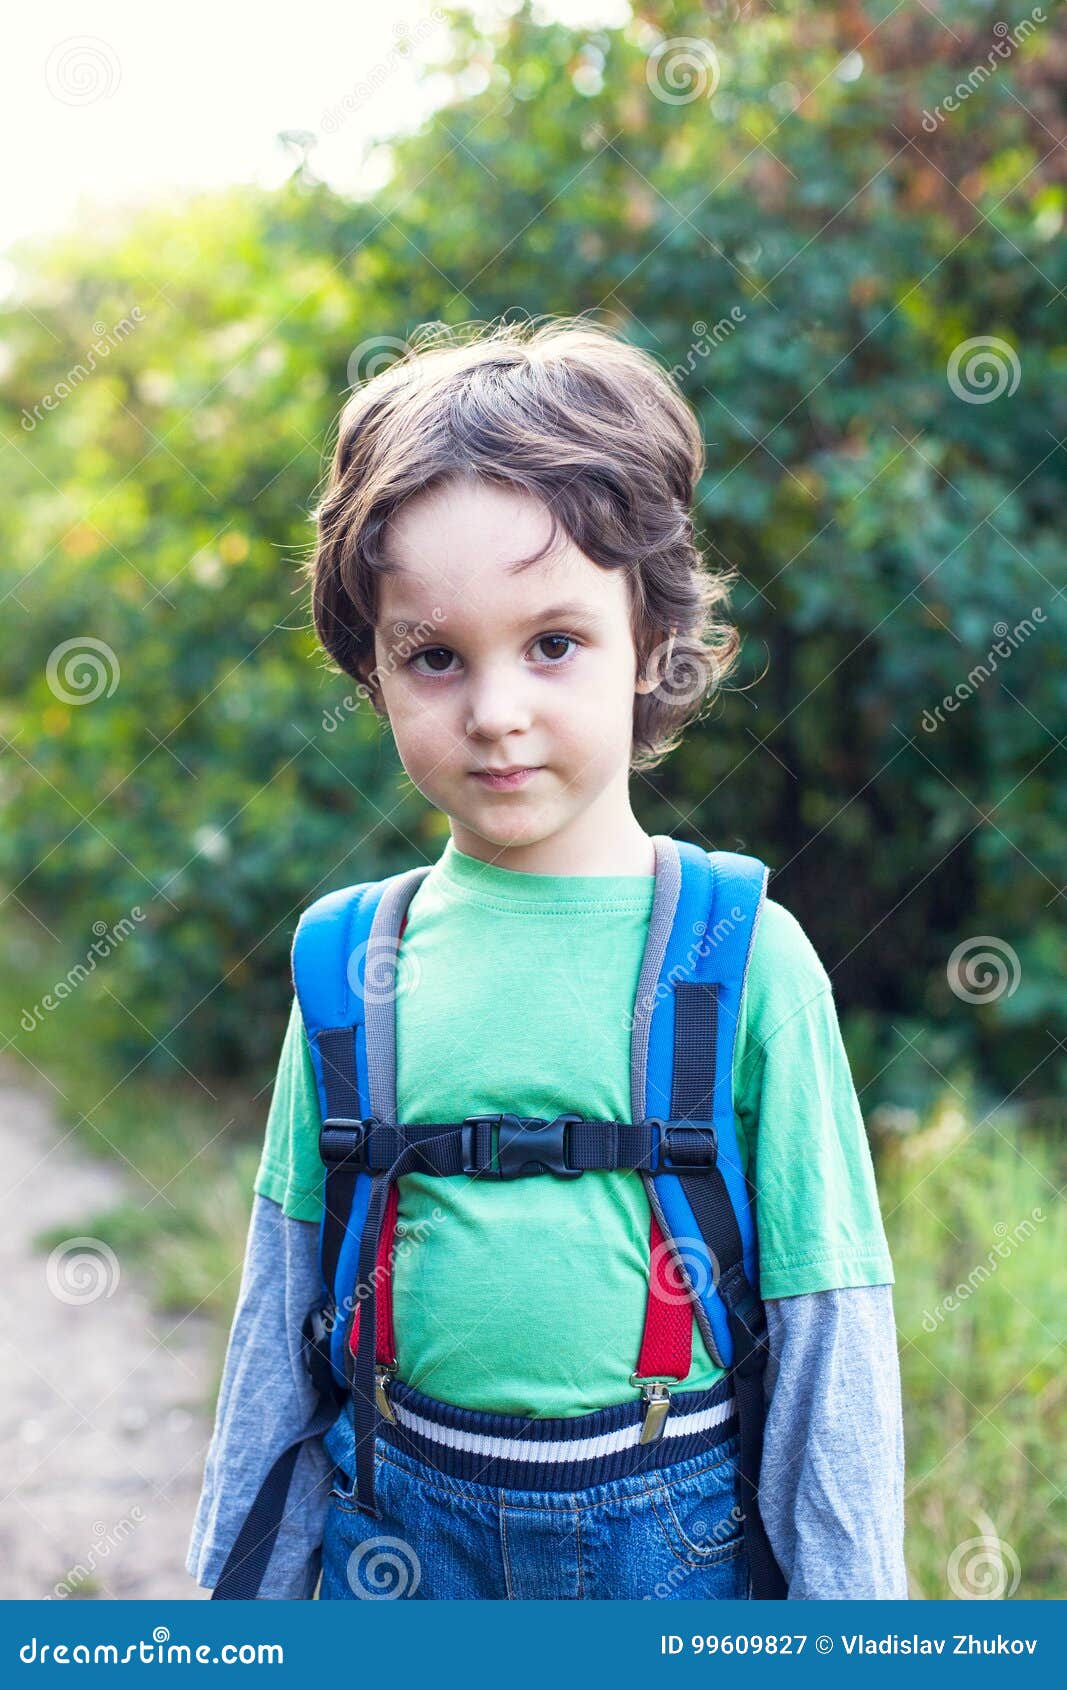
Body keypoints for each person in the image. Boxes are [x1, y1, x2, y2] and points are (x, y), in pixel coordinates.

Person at [186, 316, 907, 1600]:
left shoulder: (743, 957)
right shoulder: (353, 959)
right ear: (376, 674)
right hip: (395, 1543)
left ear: (652, 643)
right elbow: (277, 1323)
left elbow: (829, 1339)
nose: (496, 709)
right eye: (434, 656)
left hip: (666, 1552)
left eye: (553, 642)